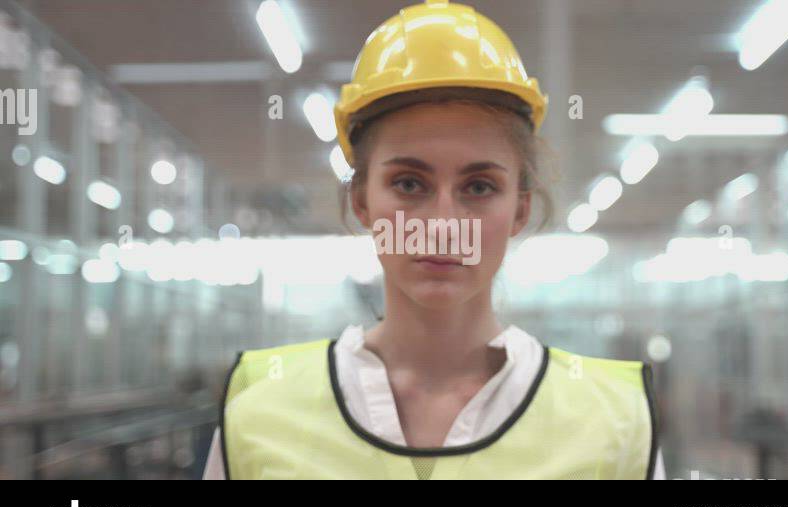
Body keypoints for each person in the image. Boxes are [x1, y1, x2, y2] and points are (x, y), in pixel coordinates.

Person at [203, 0, 666, 480]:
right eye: (408, 183)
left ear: (520, 210)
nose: (444, 223)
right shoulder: (259, 412)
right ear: (362, 201)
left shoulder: (616, 422)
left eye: (479, 187)